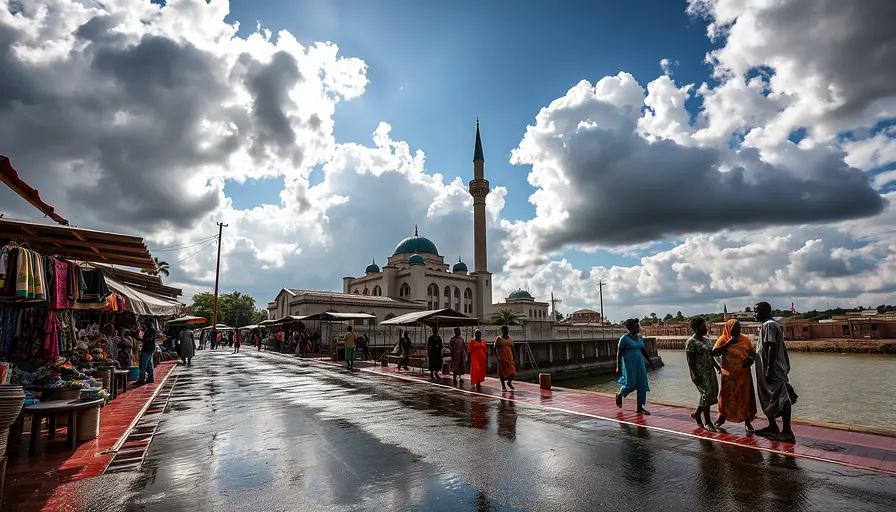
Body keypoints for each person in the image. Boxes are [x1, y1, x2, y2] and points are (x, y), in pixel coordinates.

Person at [753, 302, 798, 443]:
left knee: (782, 397)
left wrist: (769, 369)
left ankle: (787, 431)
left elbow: (771, 347)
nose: (754, 314)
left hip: (774, 369)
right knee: (769, 397)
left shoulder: (769, 325)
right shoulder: (766, 325)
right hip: (768, 368)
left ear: (765, 311)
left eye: (756, 311)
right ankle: (773, 426)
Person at [711, 319, 757, 432]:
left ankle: (747, 422)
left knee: (745, 397)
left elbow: (752, 353)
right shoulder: (723, 339)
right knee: (727, 397)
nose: (737, 330)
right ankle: (722, 417)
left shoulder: (745, 340)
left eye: (738, 328)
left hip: (744, 375)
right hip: (729, 376)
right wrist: (729, 343)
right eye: (734, 328)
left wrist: (751, 359)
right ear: (728, 329)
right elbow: (714, 352)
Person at [685, 318, 722, 431]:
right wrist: (694, 375)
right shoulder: (691, 342)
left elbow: (710, 355)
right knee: (706, 394)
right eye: (702, 326)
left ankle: (697, 414)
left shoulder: (707, 340)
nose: (705, 328)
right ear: (696, 328)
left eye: (705, 326)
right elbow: (690, 360)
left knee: (712, 393)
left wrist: (716, 366)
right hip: (700, 373)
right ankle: (707, 421)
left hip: (710, 370)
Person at [615, 318, 656, 415]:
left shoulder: (640, 338)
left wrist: (651, 362)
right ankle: (620, 394)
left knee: (642, 384)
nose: (638, 328)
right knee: (631, 384)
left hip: (640, 364)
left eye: (638, 326)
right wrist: (618, 366)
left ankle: (640, 407)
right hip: (629, 365)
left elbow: (643, 351)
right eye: (636, 326)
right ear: (630, 327)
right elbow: (619, 353)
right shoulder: (624, 339)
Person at [494, 325, 516, 392]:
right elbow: (494, 348)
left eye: (507, 330)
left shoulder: (510, 338)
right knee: (501, 373)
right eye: (505, 330)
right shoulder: (498, 338)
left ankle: (509, 382)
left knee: (512, 372)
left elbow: (512, 348)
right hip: (502, 358)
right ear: (502, 330)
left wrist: (514, 357)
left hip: (509, 358)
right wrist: (498, 357)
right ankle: (503, 386)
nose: (507, 331)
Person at [136, 319, 157, 385]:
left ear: (150, 323)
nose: (145, 324)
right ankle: (150, 378)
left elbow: (149, 339)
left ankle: (141, 379)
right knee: (149, 365)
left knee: (143, 365)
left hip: (147, 349)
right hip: (149, 349)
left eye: (146, 322)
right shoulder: (150, 329)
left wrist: (140, 339)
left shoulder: (151, 330)